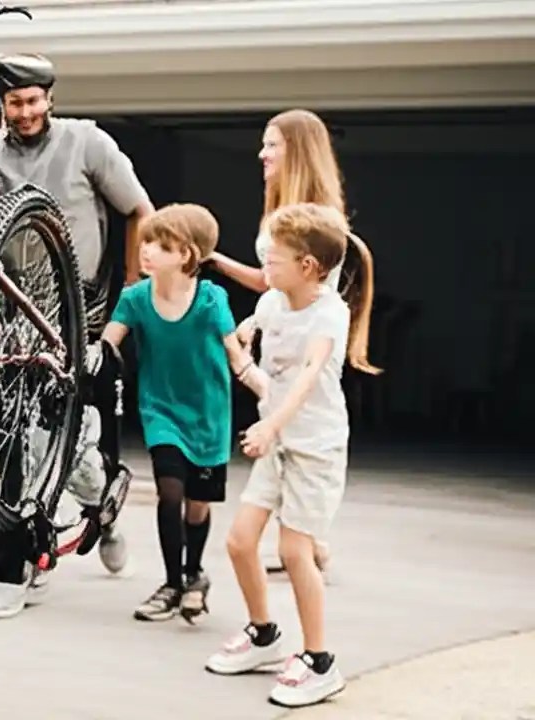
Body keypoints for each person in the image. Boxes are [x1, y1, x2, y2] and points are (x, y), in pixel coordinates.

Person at [0, 53, 156, 620]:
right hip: (14, 311)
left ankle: (99, 506)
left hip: (82, 312)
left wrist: (130, 286)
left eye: (32, 100)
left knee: (69, 438)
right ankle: (20, 561)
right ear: (1, 106)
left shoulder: (86, 142)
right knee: (9, 433)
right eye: (13, 103)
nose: (24, 112)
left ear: (50, 98)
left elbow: (139, 209)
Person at [204, 202, 380, 708]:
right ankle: (264, 637)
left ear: (308, 266)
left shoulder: (329, 313)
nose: (264, 269)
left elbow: (306, 377)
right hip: (278, 442)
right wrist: (240, 338)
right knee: (240, 542)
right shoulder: (274, 302)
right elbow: (252, 330)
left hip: (314, 448)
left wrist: (268, 425)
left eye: (273, 260)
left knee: (294, 552)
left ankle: (320, 661)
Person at [205, 108, 358, 574]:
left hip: (302, 339)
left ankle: (305, 542)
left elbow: (295, 291)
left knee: (297, 429)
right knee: (279, 436)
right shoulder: (279, 209)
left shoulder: (320, 218)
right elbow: (271, 282)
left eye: (272, 144)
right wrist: (217, 262)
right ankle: (306, 541)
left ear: (298, 151)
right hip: (276, 331)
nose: (262, 153)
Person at [101, 203, 261, 624]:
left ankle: (194, 575)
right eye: (147, 240)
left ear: (186, 255)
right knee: (169, 491)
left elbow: (235, 354)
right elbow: (106, 345)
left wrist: (267, 392)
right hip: (161, 411)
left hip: (209, 417)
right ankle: (172, 584)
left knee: (197, 505)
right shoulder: (135, 299)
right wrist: (85, 366)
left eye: (159, 244)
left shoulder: (212, 300)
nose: (146, 249)